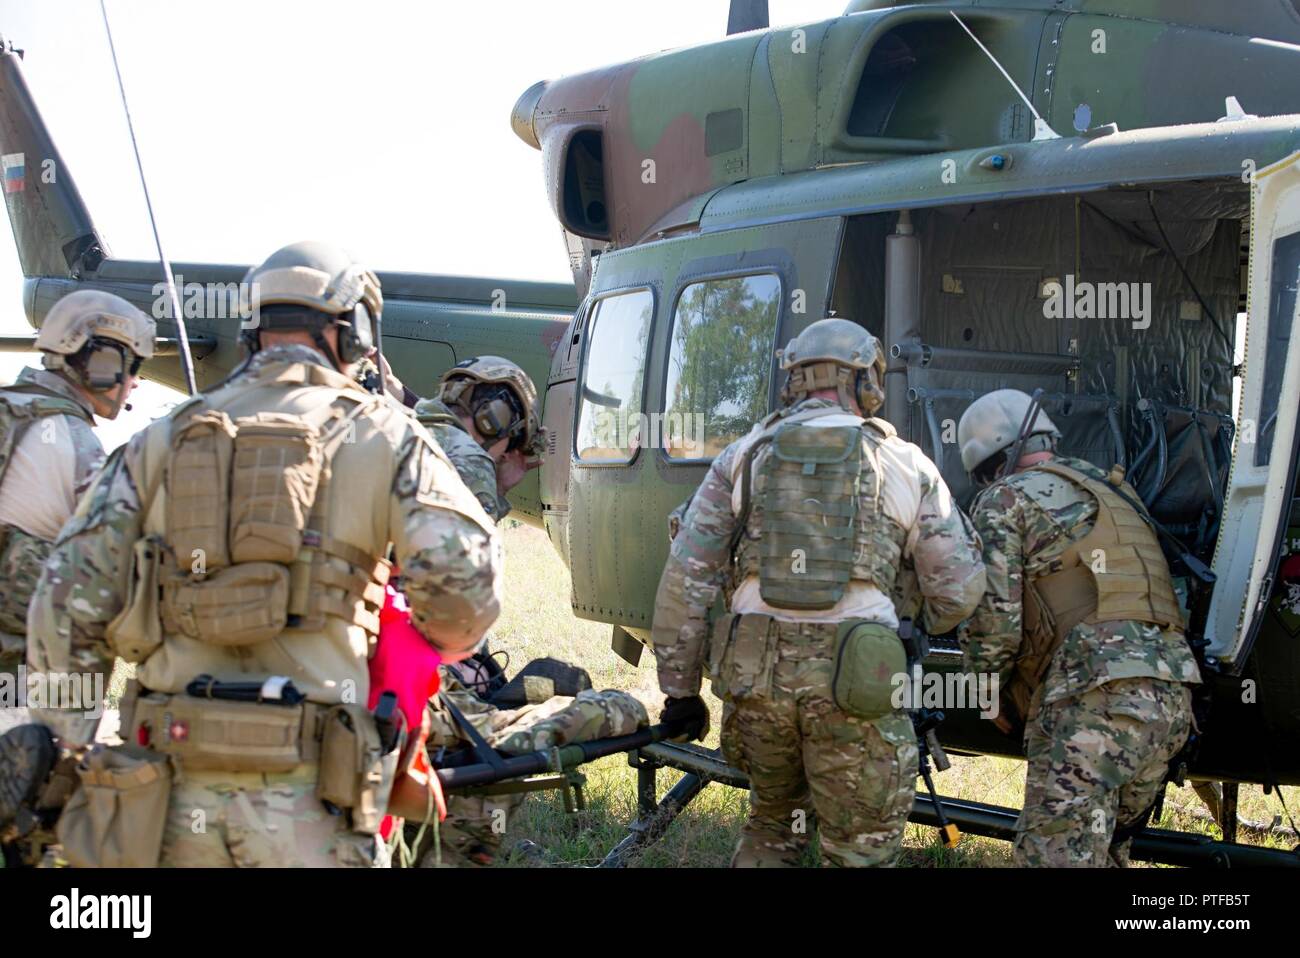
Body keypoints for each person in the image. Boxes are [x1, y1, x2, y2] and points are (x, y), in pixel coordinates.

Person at [25, 241, 503, 867]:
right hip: (314, 802)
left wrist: (68, 751)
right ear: (355, 332)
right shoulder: (386, 435)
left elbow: (64, 606)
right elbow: (468, 590)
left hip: (164, 797)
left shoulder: (157, 440)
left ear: (252, 329)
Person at [651, 317, 986, 867]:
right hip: (858, 681)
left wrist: (680, 692)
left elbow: (686, 579)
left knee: (772, 820)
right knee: (858, 848)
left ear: (796, 381)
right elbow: (956, 593)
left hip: (756, 682)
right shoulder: (902, 462)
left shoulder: (742, 456)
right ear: (864, 382)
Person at [957, 388, 1201, 867]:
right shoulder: (1114, 489)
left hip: (1093, 702)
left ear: (992, 465)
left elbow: (994, 622)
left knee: (1056, 858)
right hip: (1172, 700)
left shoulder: (1002, 500)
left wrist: (985, 697)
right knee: (1106, 851)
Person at [0, 290, 154, 853]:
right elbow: (118, 561)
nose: (134, 383)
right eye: (131, 367)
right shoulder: (72, 439)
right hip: (24, 676)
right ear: (101, 360)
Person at [412, 356, 544, 522]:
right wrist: (483, 480)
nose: (506, 455)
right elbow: (475, 545)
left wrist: (499, 489)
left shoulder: (401, 421)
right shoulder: (469, 459)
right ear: (493, 419)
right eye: (511, 442)